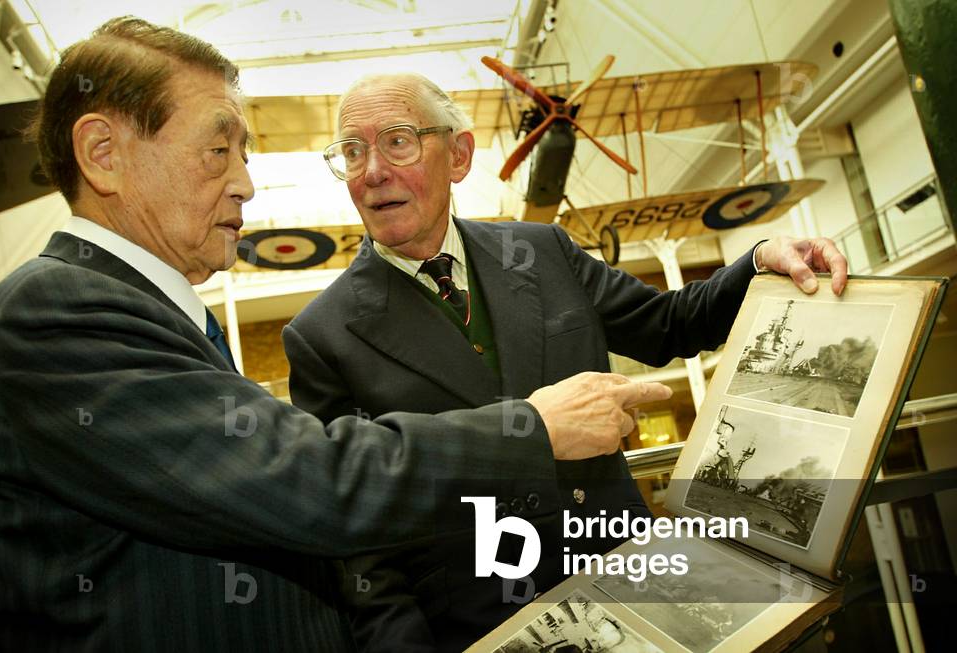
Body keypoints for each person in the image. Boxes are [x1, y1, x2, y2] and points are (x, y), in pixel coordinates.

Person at [0, 19, 670, 652]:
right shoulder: (53, 313)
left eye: (246, 153)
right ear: (103, 153)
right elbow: (307, 477)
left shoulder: (149, 313)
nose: (247, 185)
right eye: (218, 150)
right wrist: (534, 430)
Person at [282, 73, 848, 651]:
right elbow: (358, 544)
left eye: (397, 141)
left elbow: (667, 325)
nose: (372, 171)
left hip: (632, 588)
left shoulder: (542, 251)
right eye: (352, 151)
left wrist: (758, 262)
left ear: (458, 155)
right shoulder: (320, 336)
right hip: (490, 625)